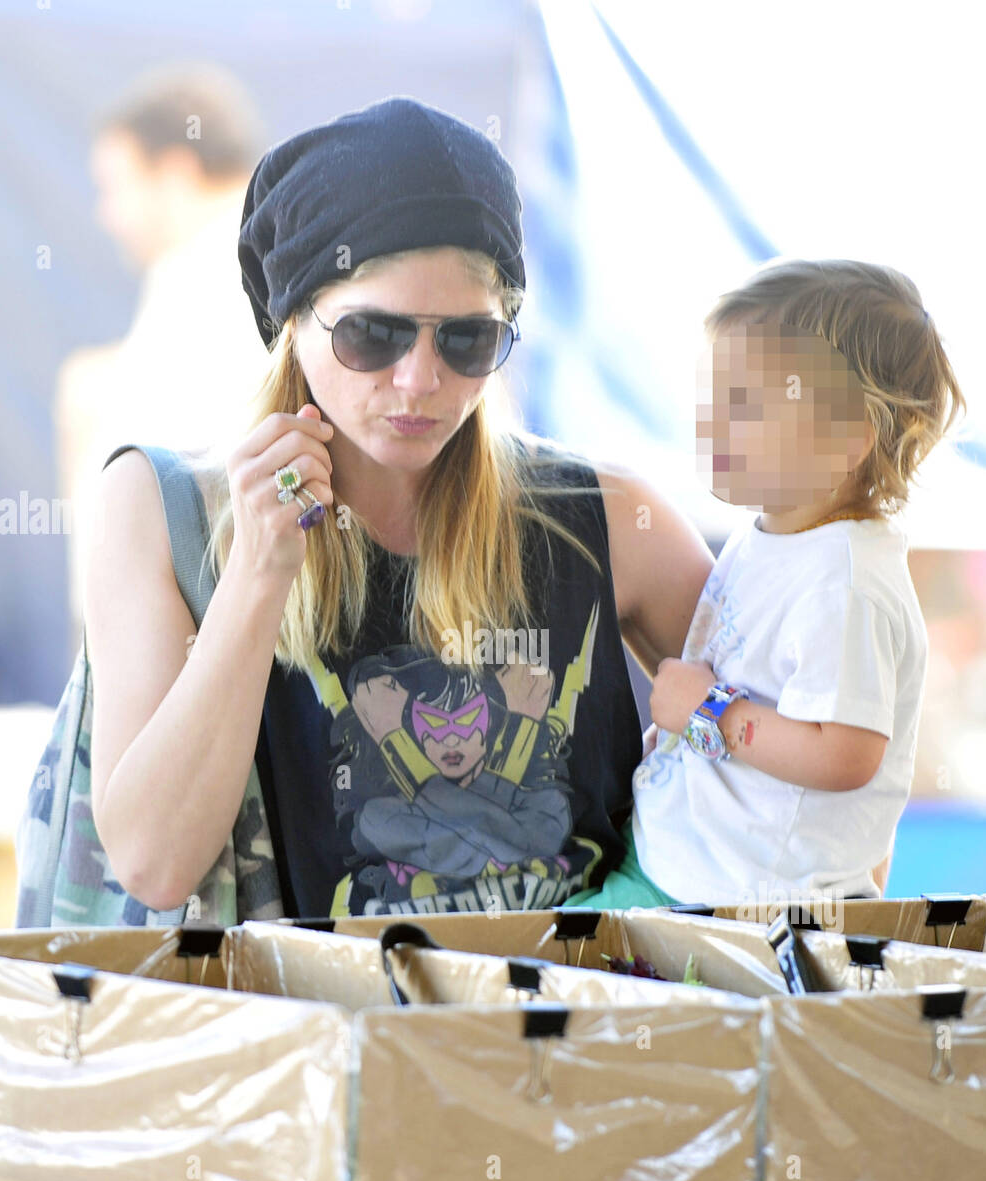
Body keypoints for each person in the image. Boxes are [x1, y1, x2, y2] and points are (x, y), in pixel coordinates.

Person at [83, 96, 713, 920]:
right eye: (372, 337)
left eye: (466, 341)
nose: (419, 382)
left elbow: (815, 733)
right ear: (292, 324)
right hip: (321, 1037)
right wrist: (257, 576)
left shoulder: (605, 518)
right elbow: (153, 866)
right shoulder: (162, 508)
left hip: (566, 1032)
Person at [565, 260, 966, 910]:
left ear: (847, 441)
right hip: (686, 860)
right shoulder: (773, 538)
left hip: (736, 896)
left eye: (746, 405)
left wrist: (711, 713)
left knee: (543, 968)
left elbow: (844, 754)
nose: (713, 422)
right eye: (715, 396)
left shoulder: (846, 581)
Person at [57, 63, 269, 639]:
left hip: (182, 644)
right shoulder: (220, 266)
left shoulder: (217, 275)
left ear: (175, 173)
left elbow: (175, 476)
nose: (108, 215)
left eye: (115, 188)